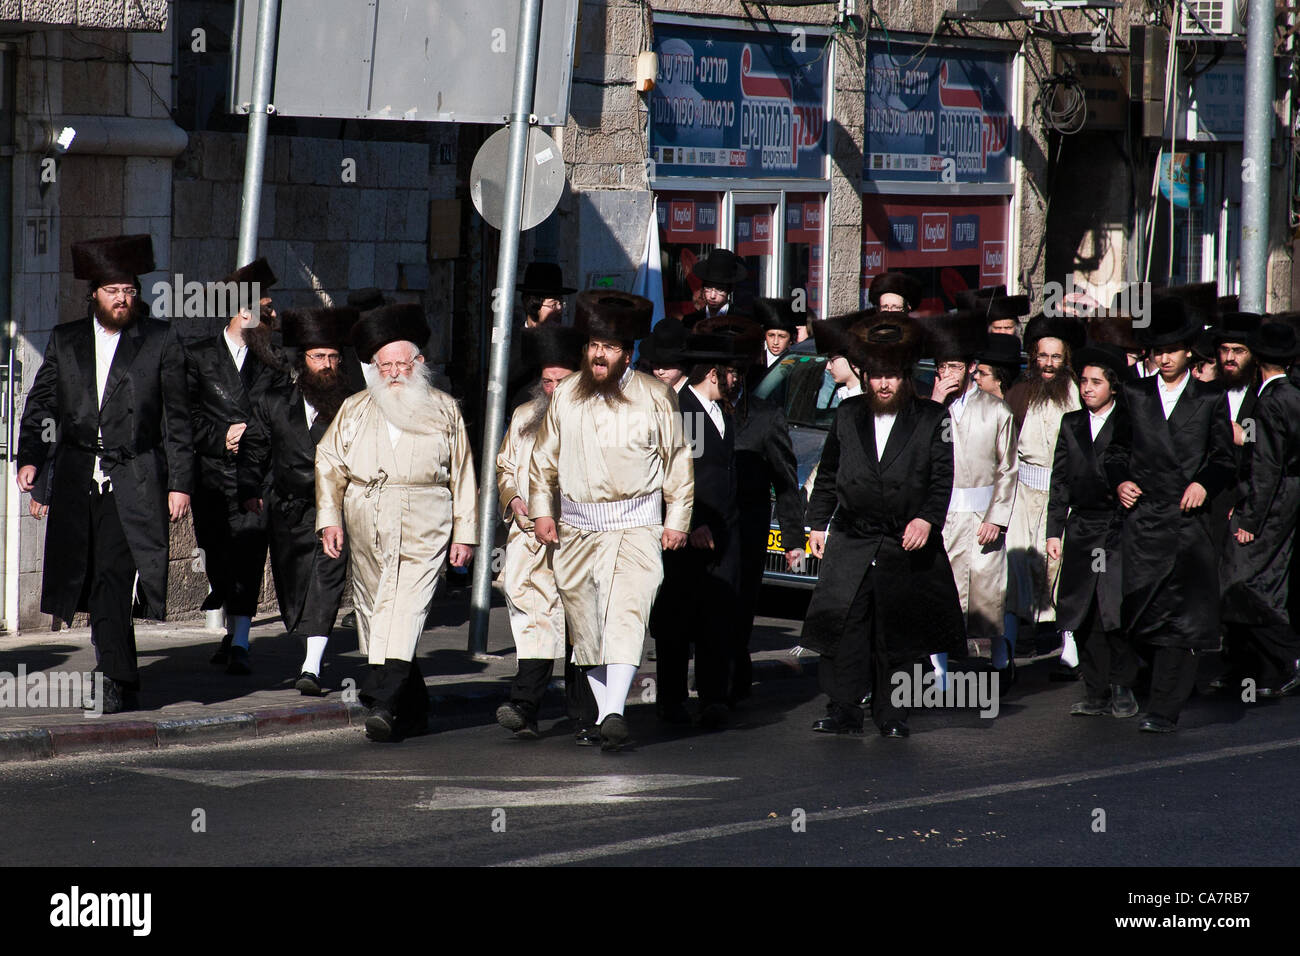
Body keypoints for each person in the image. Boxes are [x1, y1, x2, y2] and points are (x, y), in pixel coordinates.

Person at [16, 234, 193, 713]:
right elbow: (42, 403)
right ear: (93, 293)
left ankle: (112, 678)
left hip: (133, 478)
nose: (122, 297)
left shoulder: (158, 340)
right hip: (77, 476)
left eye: (129, 289)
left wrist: (179, 483)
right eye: (112, 289)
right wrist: (30, 457)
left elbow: (177, 418)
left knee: (115, 574)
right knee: (90, 578)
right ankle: (124, 672)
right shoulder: (66, 339)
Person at [529, 291, 694, 751]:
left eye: (610, 348)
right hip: (577, 529)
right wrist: (543, 510)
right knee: (588, 626)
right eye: (594, 346)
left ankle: (617, 711)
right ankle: (607, 715)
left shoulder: (655, 396)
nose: (599, 355)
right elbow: (543, 460)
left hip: (635, 526)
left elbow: (678, 458)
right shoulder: (564, 395)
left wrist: (677, 518)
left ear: (629, 353)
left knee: (626, 613)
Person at [315, 303, 478, 741]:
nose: (390, 373)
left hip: (425, 515)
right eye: (382, 365)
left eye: (399, 364)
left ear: (418, 364)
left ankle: (382, 701)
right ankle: (414, 707)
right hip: (366, 515)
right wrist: (330, 518)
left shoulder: (444, 409)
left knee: (405, 605)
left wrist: (466, 533)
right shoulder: (355, 408)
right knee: (373, 609)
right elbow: (329, 463)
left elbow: (463, 473)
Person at [801, 315, 966, 737]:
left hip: (902, 542)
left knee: (898, 630)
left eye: (892, 376)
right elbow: (830, 471)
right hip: (852, 537)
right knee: (845, 625)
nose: (884, 385)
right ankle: (843, 709)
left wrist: (927, 520)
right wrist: (817, 524)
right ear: (866, 376)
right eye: (876, 376)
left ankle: (893, 714)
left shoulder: (931, 418)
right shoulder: (848, 412)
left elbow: (941, 478)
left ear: (905, 376)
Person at [1104, 297, 1235, 732]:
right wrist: (1120, 480)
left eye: (1173, 350)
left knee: (1183, 615)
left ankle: (1164, 707)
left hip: (1187, 521)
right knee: (1142, 608)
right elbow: (1116, 450)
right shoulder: (1135, 395)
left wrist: (1204, 484)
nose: (1164, 358)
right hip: (1143, 520)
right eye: (1158, 351)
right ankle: (1135, 683)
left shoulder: (1210, 398)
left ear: (1188, 353)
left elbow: (1224, 459)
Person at [238, 305, 360, 695]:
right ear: (301, 360)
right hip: (287, 510)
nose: (327, 365)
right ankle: (302, 644)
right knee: (293, 589)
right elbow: (256, 448)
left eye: (333, 357)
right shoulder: (274, 401)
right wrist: (248, 488)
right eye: (318, 357)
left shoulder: (353, 406)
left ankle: (311, 666)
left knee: (326, 581)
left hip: (334, 512)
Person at [493, 324, 600, 741]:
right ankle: (525, 704)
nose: (553, 389)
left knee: (579, 625)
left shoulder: (595, 419)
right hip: (528, 540)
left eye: (562, 381)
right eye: (547, 381)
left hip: (576, 538)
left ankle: (584, 713)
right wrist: (514, 501)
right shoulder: (524, 416)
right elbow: (505, 467)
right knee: (533, 619)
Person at [695, 316, 804, 702]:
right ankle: (715, 682)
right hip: (702, 526)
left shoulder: (764, 416)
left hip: (748, 528)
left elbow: (786, 480)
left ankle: (731, 682)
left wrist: (793, 539)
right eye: (725, 371)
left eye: (738, 371)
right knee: (705, 608)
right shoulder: (695, 413)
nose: (732, 379)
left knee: (739, 609)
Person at [187, 257, 287, 674]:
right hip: (211, 477)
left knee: (249, 553)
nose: (274, 313)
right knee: (217, 554)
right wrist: (219, 436)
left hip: (255, 477)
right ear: (243, 309)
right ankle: (232, 627)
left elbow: (283, 415)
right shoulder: (197, 357)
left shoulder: (275, 361)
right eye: (267, 306)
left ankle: (242, 641)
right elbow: (182, 417)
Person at [650, 331, 744, 728]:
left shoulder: (724, 411)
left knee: (715, 620)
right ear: (712, 372)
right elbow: (669, 475)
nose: (737, 379)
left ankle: (712, 697)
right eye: (731, 373)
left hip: (724, 535)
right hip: (687, 536)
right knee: (676, 621)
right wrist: (689, 524)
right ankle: (670, 701)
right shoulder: (680, 410)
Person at [1046, 344, 1139, 718]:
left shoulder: (1129, 422)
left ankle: (1123, 686)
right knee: (1082, 612)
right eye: (1083, 381)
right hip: (1082, 527)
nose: (1087, 388)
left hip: (1119, 526)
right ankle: (1095, 689)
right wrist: (1054, 531)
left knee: (1113, 609)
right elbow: (1060, 481)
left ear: (1113, 387)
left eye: (1096, 382)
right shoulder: (1071, 423)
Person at [925, 313, 1018, 679]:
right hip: (941, 512)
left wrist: (996, 517)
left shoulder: (996, 410)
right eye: (943, 366)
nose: (950, 373)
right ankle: (939, 668)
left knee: (986, 590)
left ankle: (998, 653)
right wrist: (934, 402)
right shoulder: (930, 409)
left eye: (956, 366)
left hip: (982, 512)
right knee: (938, 590)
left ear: (971, 368)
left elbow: (1008, 467)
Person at [1218, 322, 1300, 698]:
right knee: (1269, 580)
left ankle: (1286, 658)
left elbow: (1267, 465)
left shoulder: (1270, 400)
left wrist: (1249, 517)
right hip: (1287, 495)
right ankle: (1258, 667)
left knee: (1244, 582)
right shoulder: (1291, 393)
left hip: (1273, 500)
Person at [1002, 315, 1084, 669]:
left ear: (1065, 360)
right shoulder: (1019, 392)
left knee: (1062, 568)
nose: (1049, 364)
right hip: (1022, 495)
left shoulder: (1077, 392)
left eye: (1056, 357)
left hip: (1061, 494)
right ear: (1033, 358)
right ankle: (1004, 649)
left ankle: (1069, 644)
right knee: (1016, 567)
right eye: (1042, 356)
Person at [683, 250, 748, 329]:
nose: (712, 296)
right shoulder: (690, 321)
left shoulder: (742, 321)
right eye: (708, 288)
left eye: (719, 289)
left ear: (730, 289)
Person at [517, 261, 576, 329]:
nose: (560, 309)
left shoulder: (566, 339)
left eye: (561, 303)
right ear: (531, 306)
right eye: (553, 305)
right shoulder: (511, 338)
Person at [638, 317, 689, 393]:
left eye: (667, 365)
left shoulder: (695, 394)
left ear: (682, 363)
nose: (660, 372)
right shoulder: (651, 391)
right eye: (656, 364)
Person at [973, 333, 1022, 400]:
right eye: (977, 371)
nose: (975, 376)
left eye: (983, 373)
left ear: (1000, 378)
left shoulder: (1017, 406)